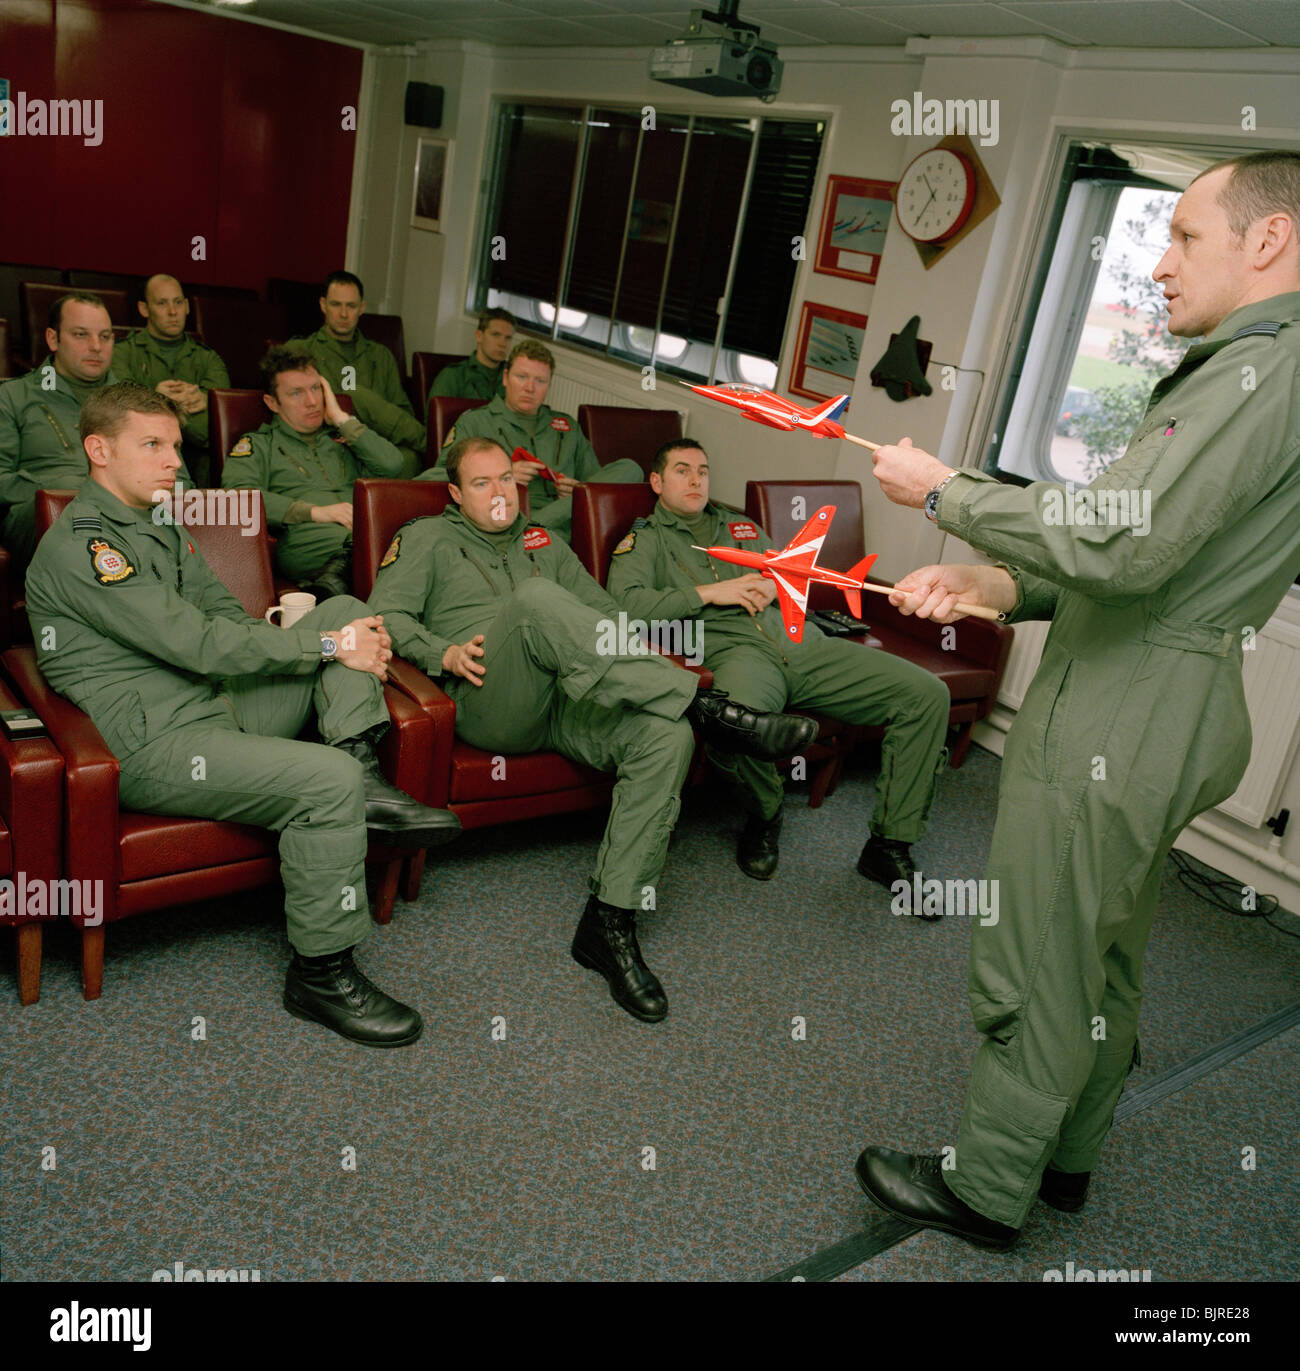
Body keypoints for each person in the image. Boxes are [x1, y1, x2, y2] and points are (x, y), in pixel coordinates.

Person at [854, 151, 1300, 1247]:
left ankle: (985, 1188)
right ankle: (1065, 1160)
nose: (1158, 263)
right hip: (1167, 696)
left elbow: (1121, 541)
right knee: (1099, 949)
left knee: (1037, 956)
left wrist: (947, 495)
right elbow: (1153, 551)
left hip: (1122, 705)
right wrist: (998, 579)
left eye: (1184, 237)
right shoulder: (1258, 370)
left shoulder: (1259, 373)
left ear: (1268, 241)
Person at [25, 381, 461, 1047]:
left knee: (343, 608)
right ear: (98, 450)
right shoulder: (85, 547)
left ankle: (364, 768)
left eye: (175, 443)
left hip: (215, 699)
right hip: (155, 740)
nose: (174, 459)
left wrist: (320, 634)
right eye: (152, 444)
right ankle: (321, 972)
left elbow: (224, 615)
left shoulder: (158, 521)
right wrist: (317, 646)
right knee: (325, 774)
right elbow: (196, 641)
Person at [368, 435, 818, 1023]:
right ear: (455, 493)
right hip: (488, 697)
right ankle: (707, 709)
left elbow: (607, 618)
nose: (500, 491)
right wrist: (441, 654)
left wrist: (633, 667)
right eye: (482, 483)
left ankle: (610, 921)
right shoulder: (425, 538)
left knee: (666, 737)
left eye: (507, 478)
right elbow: (386, 616)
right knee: (533, 600)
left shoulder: (545, 542)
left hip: (569, 696)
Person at [606, 439, 950, 886]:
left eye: (703, 471)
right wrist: (708, 594)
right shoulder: (643, 541)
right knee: (736, 731)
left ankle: (890, 844)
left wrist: (776, 584)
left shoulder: (742, 527)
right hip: (738, 654)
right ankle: (766, 815)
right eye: (682, 470)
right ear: (656, 481)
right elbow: (624, 608)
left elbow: (788, 573)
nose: (695, 480)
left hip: (806, 644)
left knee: (927, 695)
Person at [222, 346, 406, 599]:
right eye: (296, 393)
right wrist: (316, 512)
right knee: (390, 547)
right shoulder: (260, 444)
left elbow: (393, 465)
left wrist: (341, 418)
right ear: (272, 403)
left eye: (316, 388)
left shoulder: (345, 437)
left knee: (438, 478)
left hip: (365, 528)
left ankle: (339, 576)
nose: (311, 402)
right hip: (310, 539)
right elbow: (237, 497)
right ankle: (351, 566)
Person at [425, 339, 643, 542]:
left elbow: (597, 482)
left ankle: (536, 527)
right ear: (505, 377)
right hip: (508, 518)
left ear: (548, 385)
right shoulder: (474, 422)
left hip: (565, 525)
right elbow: (439, 476)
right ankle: (532, 527)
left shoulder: (567, 427)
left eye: (540, 380)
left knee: (630, 468)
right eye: (522, 377)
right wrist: (503, 476)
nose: (530, 388)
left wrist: (579, 490)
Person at [0, 293, 141, 572]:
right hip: (47, 516)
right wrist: (63, 488)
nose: (96, 346)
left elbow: (181, 479)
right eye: (81, 335)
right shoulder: (13, 396)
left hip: (131, 515)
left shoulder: (137, 404)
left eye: (105, 336)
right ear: (53, 339)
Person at [291, 270, 425, 477]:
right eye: (336, 305)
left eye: (351, 306)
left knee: (409, 459)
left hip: (376, 445)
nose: (343, 314)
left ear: (361, 308)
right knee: (354, 394)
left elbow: (402, 412)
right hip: (326, 442)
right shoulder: (301, 351)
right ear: (323, 305)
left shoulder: (381, 355)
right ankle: (431, 442)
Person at [113, 274, 230, 484]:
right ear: (144, 309)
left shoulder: (209, 358)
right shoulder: (121, 353)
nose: (172, 312)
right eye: (161, 303)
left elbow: (213, 427)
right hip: (142, 458)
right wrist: (157, 398)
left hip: (200, 460)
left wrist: (205, 399)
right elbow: (118, 410)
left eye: (177, 302)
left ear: (187, 306)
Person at [429, 308, 515, 400]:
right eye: (495, 335)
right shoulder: (454, 375)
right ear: (479, 336)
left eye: (508, 338)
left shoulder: (514, 376)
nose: (502, 344)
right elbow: (434, 413)